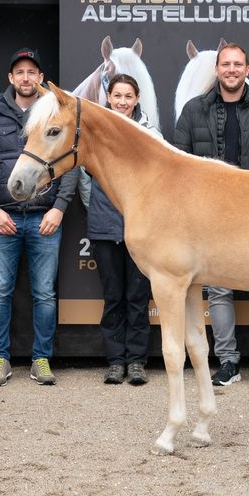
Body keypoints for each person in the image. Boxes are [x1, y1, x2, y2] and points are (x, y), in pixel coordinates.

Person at [173, 42, 249, 390]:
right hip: (212, 218)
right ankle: (227, 363)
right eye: (225, 64)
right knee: (219, 292)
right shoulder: (194, 111)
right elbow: (180, 164)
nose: (231, 70)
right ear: (217, 70)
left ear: (247, 70)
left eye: (238, 64)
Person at [0, 48, 79, 387]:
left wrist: (58, 207)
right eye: (19, 72)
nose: (25, 77)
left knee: (45, 295)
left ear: (40, 76)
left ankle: (41, 360)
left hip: (43, 218)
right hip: (3, 219)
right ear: (10, 78)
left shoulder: (55, 111)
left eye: (31, 71)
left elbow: (69, 161)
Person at [78, 74, 160, 385]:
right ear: (108, 97)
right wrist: (101, 207)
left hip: (141, 229)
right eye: (117, 96)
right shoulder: (95, 132)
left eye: (128, 96)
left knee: (138, 297)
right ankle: (115, 361)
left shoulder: (149, 134)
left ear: (137, 99)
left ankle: (137, 361)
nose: (122, 101)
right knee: (113, 297)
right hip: (103, 226)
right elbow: (85, 181)